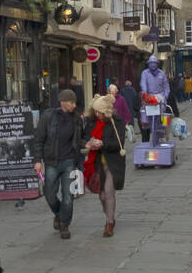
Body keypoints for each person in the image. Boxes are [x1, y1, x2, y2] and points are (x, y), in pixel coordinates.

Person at [31, 88, 82, 239]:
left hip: (69, 162)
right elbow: (39, 140)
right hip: (52, 162)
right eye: (72, 103)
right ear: (64, 102)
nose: (74, 105)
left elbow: (80, 139)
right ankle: (59, 214)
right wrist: (37, 161)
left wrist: (88, 144)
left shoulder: (77, 118)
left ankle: (64, 224)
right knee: (49, 194)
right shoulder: (48, 117)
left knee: (68, 196)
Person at [82, 93, 127, 237]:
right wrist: (89, 143)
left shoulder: (116, 122)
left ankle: (109, 223)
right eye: (95, 111)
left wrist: (103, 143)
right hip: (97, 162)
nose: (97, 114)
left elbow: (119, 142)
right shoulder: (91, 122)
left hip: (112, 162)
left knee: (109, 191)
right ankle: (109, 215)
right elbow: (84, 138)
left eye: (100, 112)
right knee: (101, 196)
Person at [139, 55, 170, 142]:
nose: (152, 65)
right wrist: (145, 95)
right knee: (143, 110)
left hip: (160, 97)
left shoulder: (162, 73)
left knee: (161, 114)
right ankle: (145, 124)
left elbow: (166, 87)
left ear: (157, 64)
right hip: (149, 97)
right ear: (148, 64)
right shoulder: (145, 73)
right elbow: (143, 84)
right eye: (151, 63)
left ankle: (161, 130)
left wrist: (165, 96)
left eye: (154, 63)